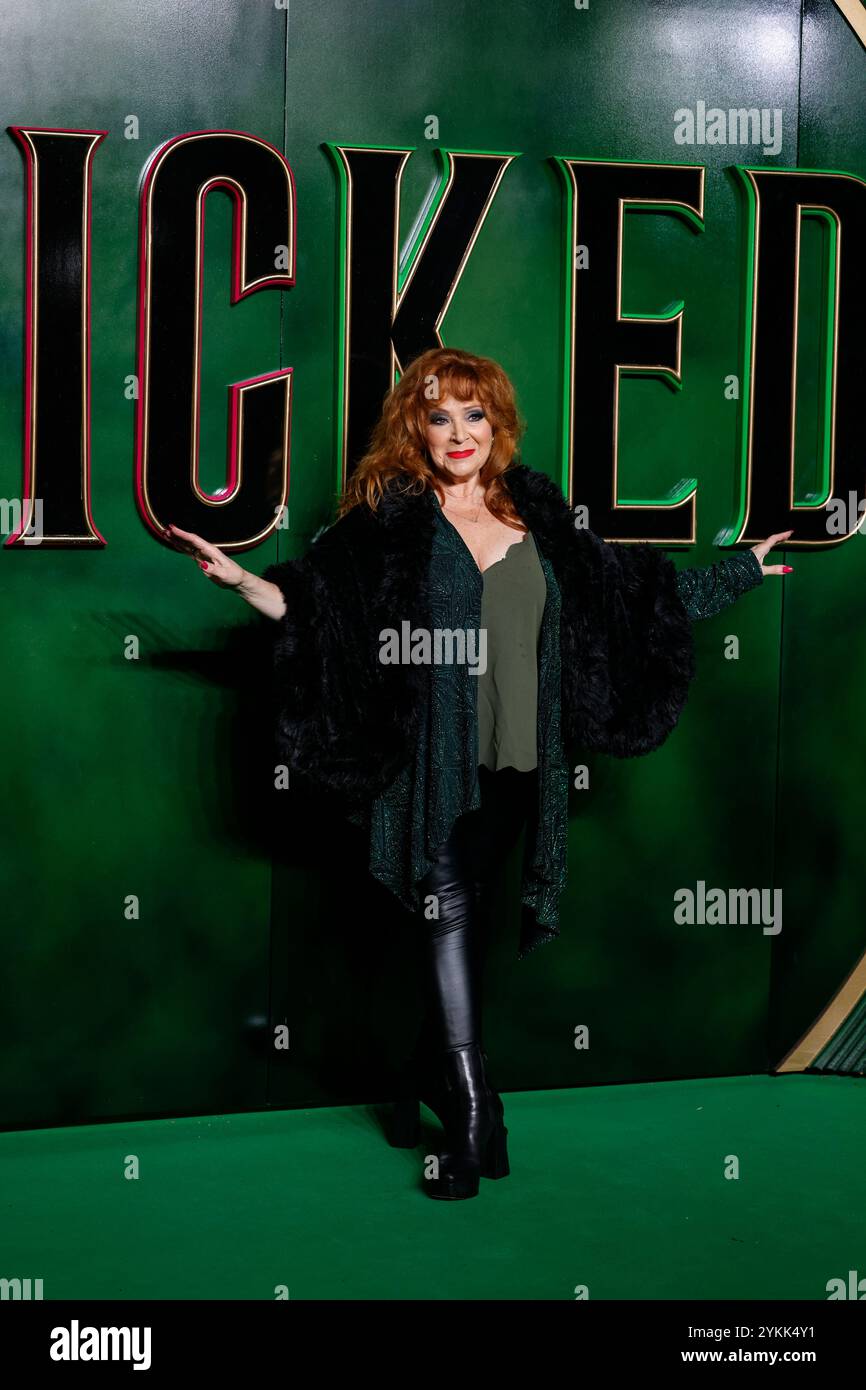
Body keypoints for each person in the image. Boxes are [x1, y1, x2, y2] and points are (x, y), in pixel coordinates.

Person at [165, 346, 792, 1202]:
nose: (457, 432)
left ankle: (426, 1069)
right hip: (427, 759)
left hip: (520, 761)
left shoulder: (539, 515)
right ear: (413, 429)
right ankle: (469, 1110)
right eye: (438, 416)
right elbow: (316, 610)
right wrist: (243, 582)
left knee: (468, 916)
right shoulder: (389, 520)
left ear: (495, 424)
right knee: (450, 909)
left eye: (474, 415)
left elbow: (634, 604)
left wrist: (742, 568)